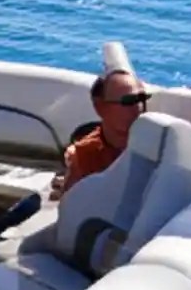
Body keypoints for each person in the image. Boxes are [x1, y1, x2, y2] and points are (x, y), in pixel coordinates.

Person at [53, 69, 151, 198]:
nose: (138, 107)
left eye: (141, 99)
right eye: (128, 101)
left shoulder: (158, 144)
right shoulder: (84, 156)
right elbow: (72, 209)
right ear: (100, 107)